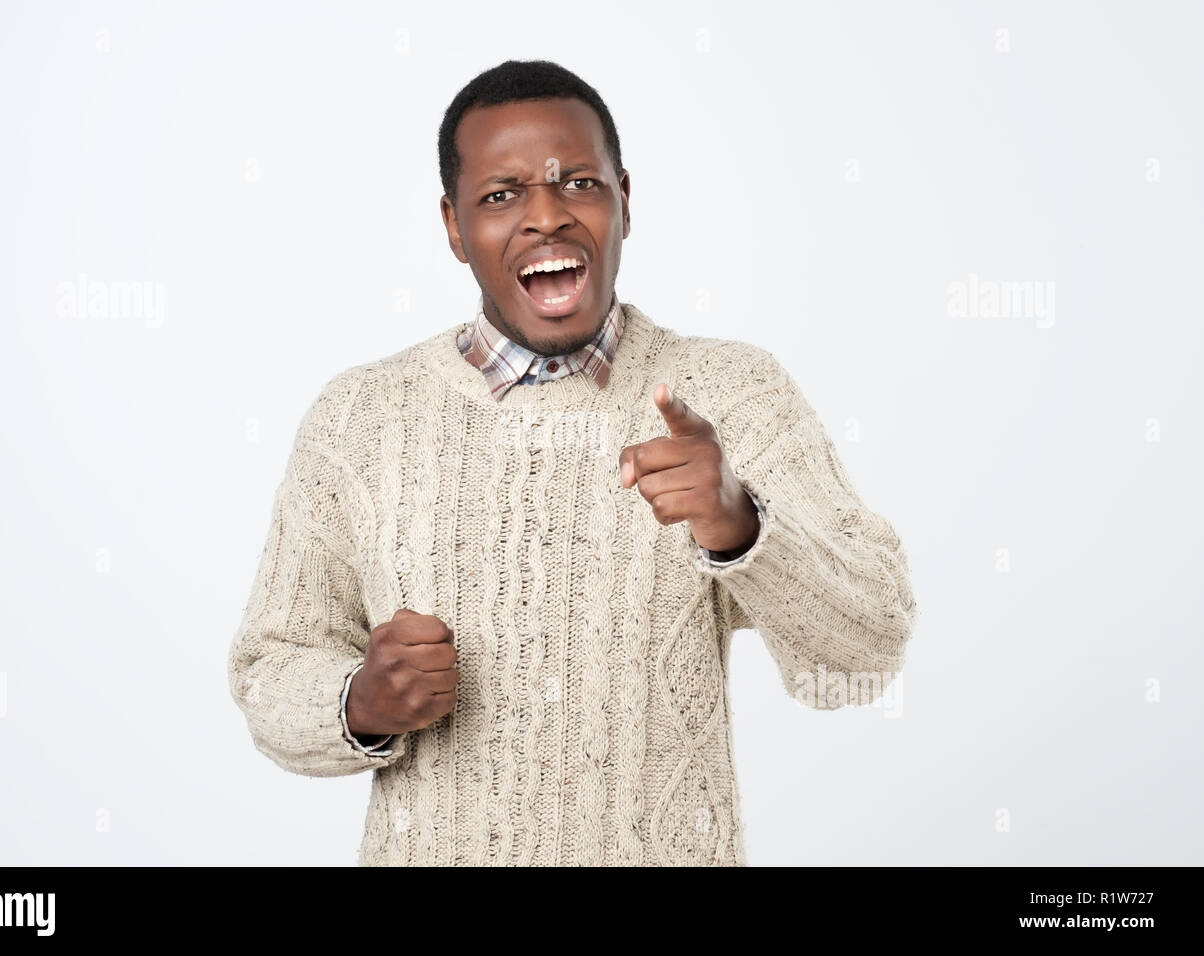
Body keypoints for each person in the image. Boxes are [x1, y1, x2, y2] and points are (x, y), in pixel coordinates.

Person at [227, 58, 918, 866]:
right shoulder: (359, 418)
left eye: (579, 184)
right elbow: (269, 670)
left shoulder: (734, 393)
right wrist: (359, 703)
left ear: (626, 199)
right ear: (454, 227)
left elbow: (868, 652)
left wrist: (740, 524)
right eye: (501, 195)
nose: (546, 217)